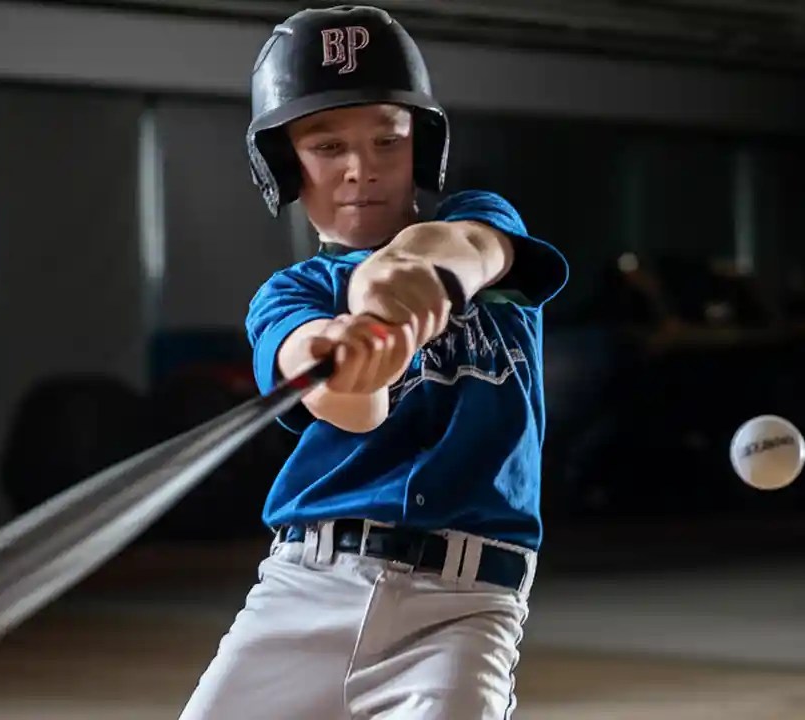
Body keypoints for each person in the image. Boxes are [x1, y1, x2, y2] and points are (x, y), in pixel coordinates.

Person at [179, 6, 569, 718]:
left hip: (464, 608)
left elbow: (468, 251)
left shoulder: (478, 220)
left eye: (387, 141)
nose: (361, 170)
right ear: (284, 164)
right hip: (305, 590)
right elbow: (349, 405)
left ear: (419, 145)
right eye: (327, 147)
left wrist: (408, 281)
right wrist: (350, 366)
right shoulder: (290, 293)